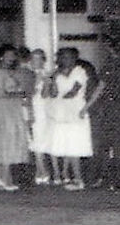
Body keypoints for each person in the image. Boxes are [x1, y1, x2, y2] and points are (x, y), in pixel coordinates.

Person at [85, 37, 120, 190]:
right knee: (119, 142)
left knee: (105, 143)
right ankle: (119, 180)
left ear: (110, 47)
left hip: (110, 105)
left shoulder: (109, 64)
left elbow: (100, 87)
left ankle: (105, 178)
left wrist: (87, 106)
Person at [0, 43, 32, 190]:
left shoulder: (10, 71)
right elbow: (1, 93)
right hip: (3, 110)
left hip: (12, 108)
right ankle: (5, 178)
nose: (11, 58)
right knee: (6, 141)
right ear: (1, 56)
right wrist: (21, 93)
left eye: (13, 55)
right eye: (8, 55)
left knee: (8, 141)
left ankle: (0, 175)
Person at [46, 47, 92, 190]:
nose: (66, 60)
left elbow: (73, 92)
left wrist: (60, 95)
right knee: (66, 145)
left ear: (74, 58)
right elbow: (53, 94)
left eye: (69, 57)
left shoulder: (80, 72)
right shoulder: (56, 73)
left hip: (76, 110)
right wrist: (53, 80)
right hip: (60, 112)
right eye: (63, 57)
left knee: (75, 146)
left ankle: (78, 179)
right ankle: (70, 177)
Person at [26, 48, 54, 184]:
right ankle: (41, 170)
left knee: (40, 139)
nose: (35, 61)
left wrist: (46, 82)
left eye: (38, 59)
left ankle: (42, 170)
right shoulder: (28, 74)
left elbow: (45, 94)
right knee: (34, 139)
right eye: (33, 58)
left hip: (43, 108)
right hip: (32, 108)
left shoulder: (47, 74)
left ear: (43, 60)